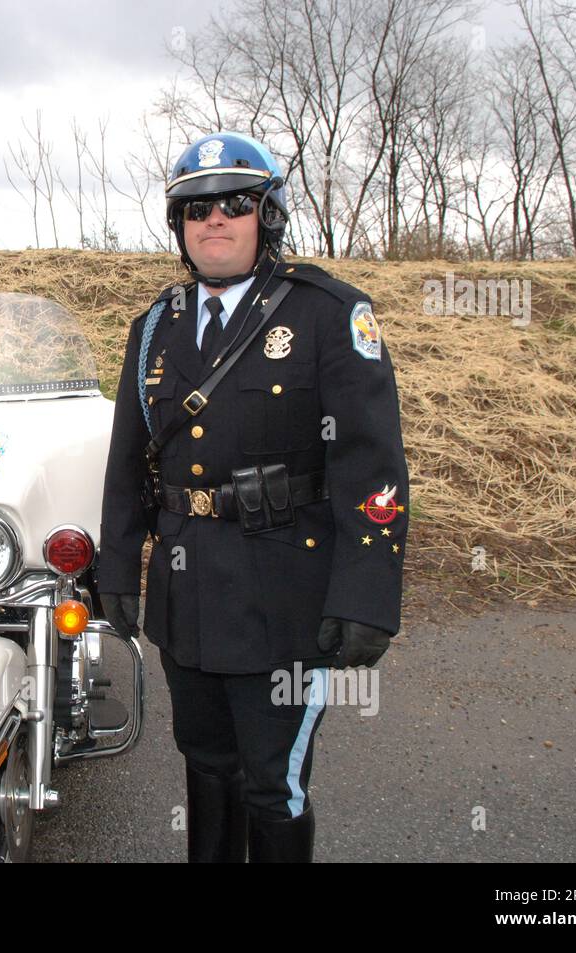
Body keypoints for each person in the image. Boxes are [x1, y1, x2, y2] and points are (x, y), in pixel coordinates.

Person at [99, 132, 409, 862]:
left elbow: (373, 468)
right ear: (178, 226)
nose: (215, 220)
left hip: (285, 598)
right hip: (187, 597)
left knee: (274, 782)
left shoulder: (330, 313)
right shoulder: (155, 330)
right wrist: (117, 567)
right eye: (196, 208)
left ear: (268, 215)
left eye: (236, 203)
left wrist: (366, 593)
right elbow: (127, 462)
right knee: (206, 762)